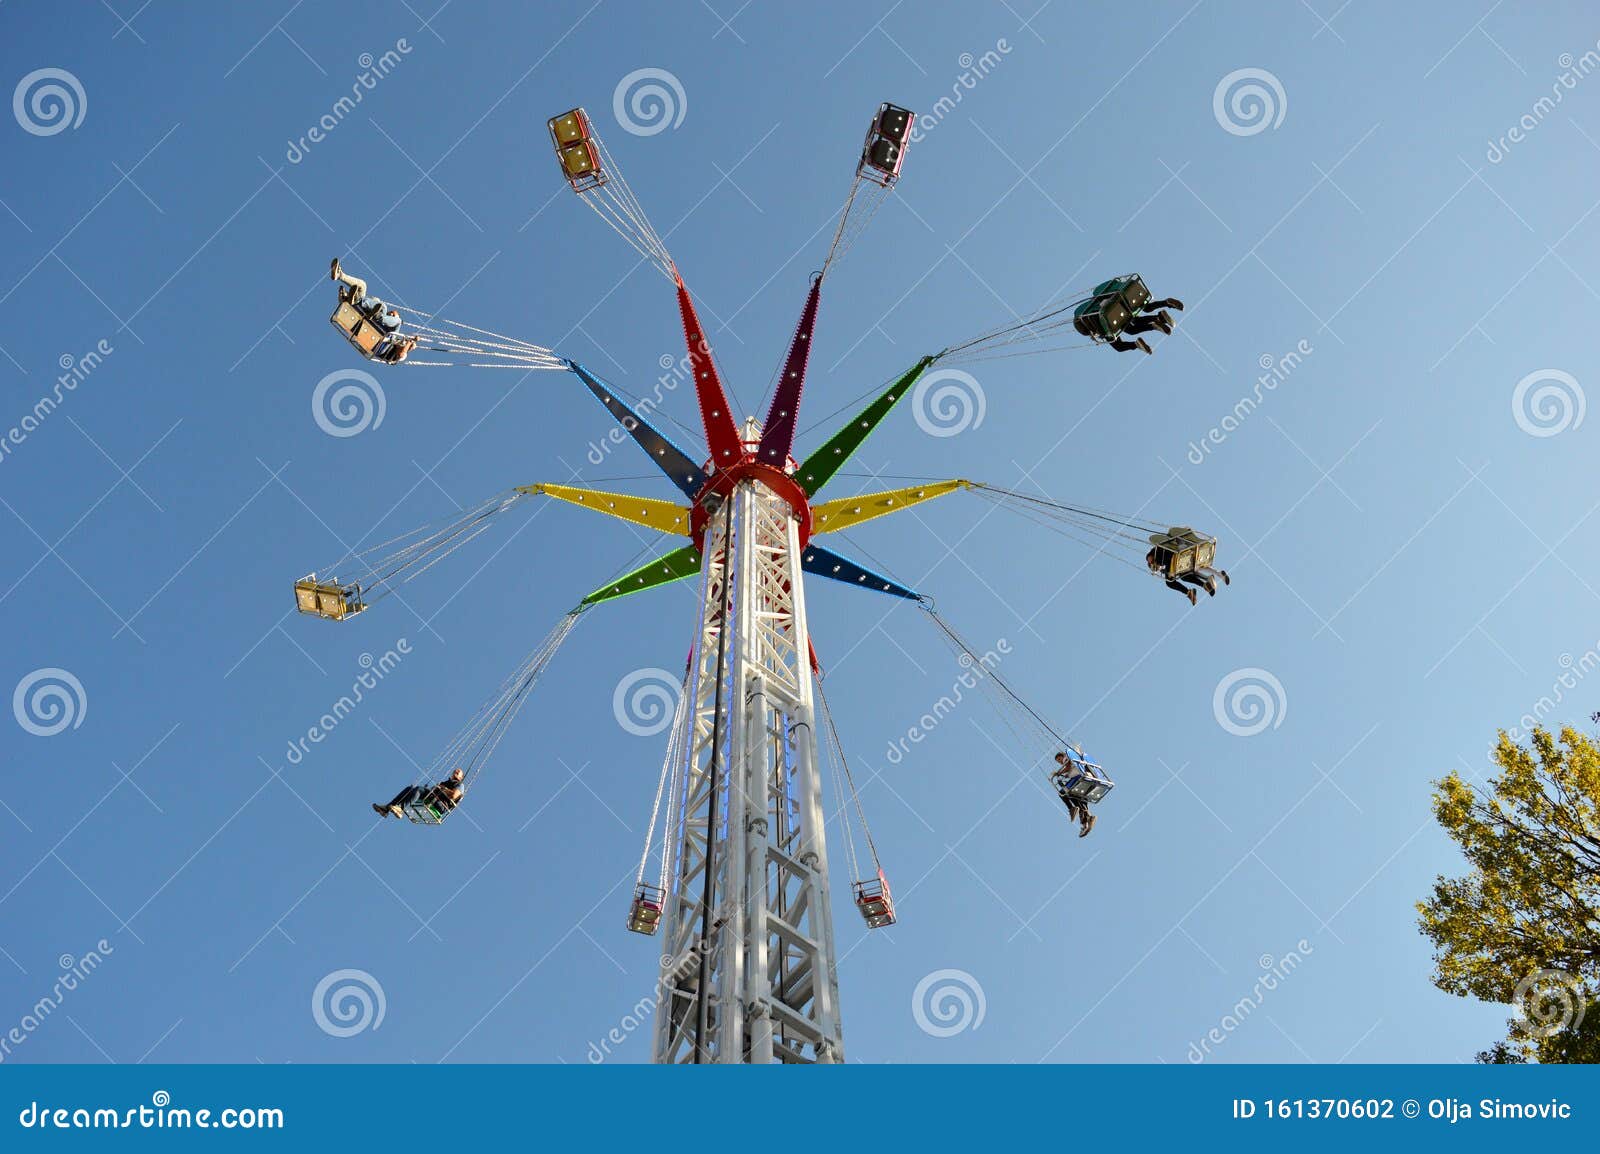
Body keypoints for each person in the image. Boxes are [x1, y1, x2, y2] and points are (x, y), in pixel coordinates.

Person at [373, 767, 466, 820]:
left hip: (441, 805)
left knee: (419, 789)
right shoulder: (445, 782)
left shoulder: (460, 785)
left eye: (459, 772)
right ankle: (386, 809)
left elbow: (454, 795)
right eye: (455, 770)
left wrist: (442, 788)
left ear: (461, 777)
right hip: (433, 798)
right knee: (410, 789)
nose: (456, 771)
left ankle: (400, 809)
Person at [1052, 751, 1096, 838]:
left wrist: (1058, 773)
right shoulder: (1073, 761)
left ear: (1062, 756)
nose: (1060, 762)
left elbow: (1068, 766)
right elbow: (1069, 769)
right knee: (1079, 802)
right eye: (1058, 761)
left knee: (1062, 793)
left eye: (1059, 759)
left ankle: (1071, 808)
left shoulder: (1067, 758)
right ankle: (1087, 821)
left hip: (1078, 778)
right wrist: (1065, 775)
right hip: (1083, 780)